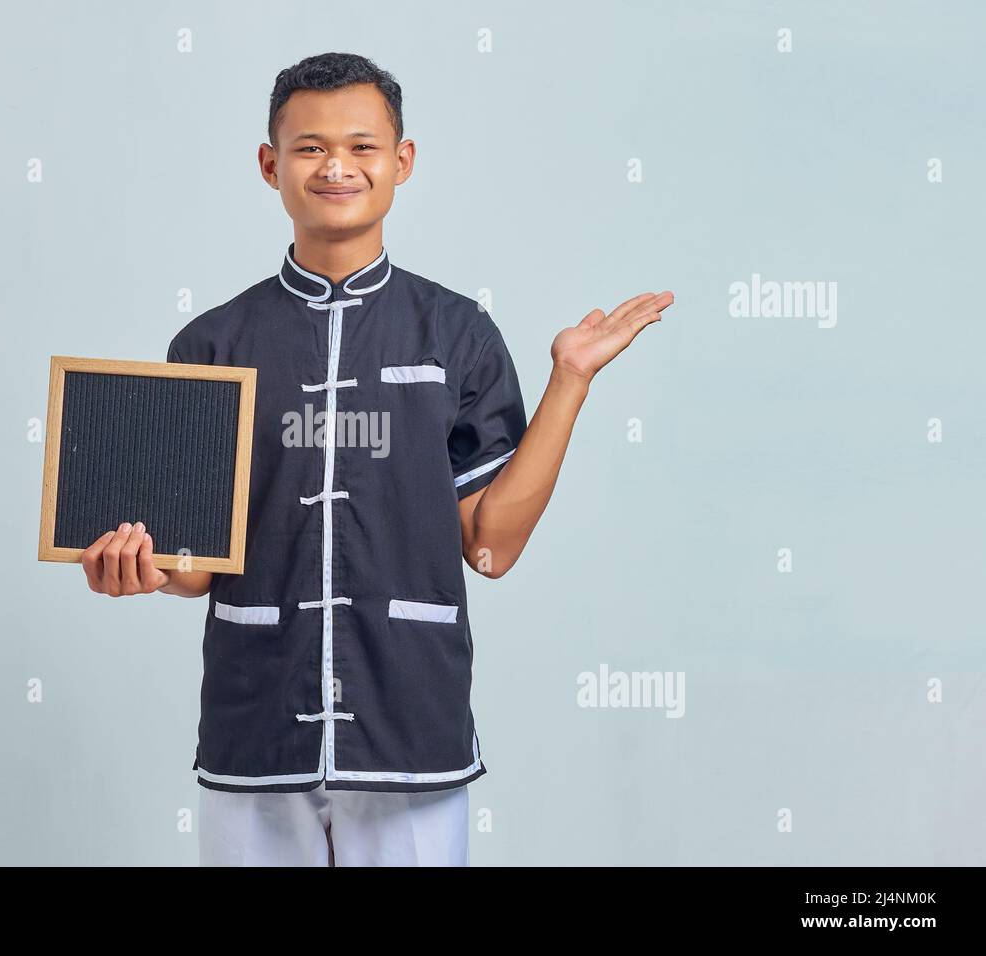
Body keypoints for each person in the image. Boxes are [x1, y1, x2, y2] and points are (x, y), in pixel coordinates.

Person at [80, 52, 674, 866]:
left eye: (361, 146)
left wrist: (569, 380)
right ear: (270, 165)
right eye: (309, 147)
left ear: (403, 162)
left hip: (411, 724)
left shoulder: (458, 334)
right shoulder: (211, 344)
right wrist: (141, 566)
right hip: (257, 729)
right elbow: (195, 567)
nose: (335, 166)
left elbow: (491, 545)